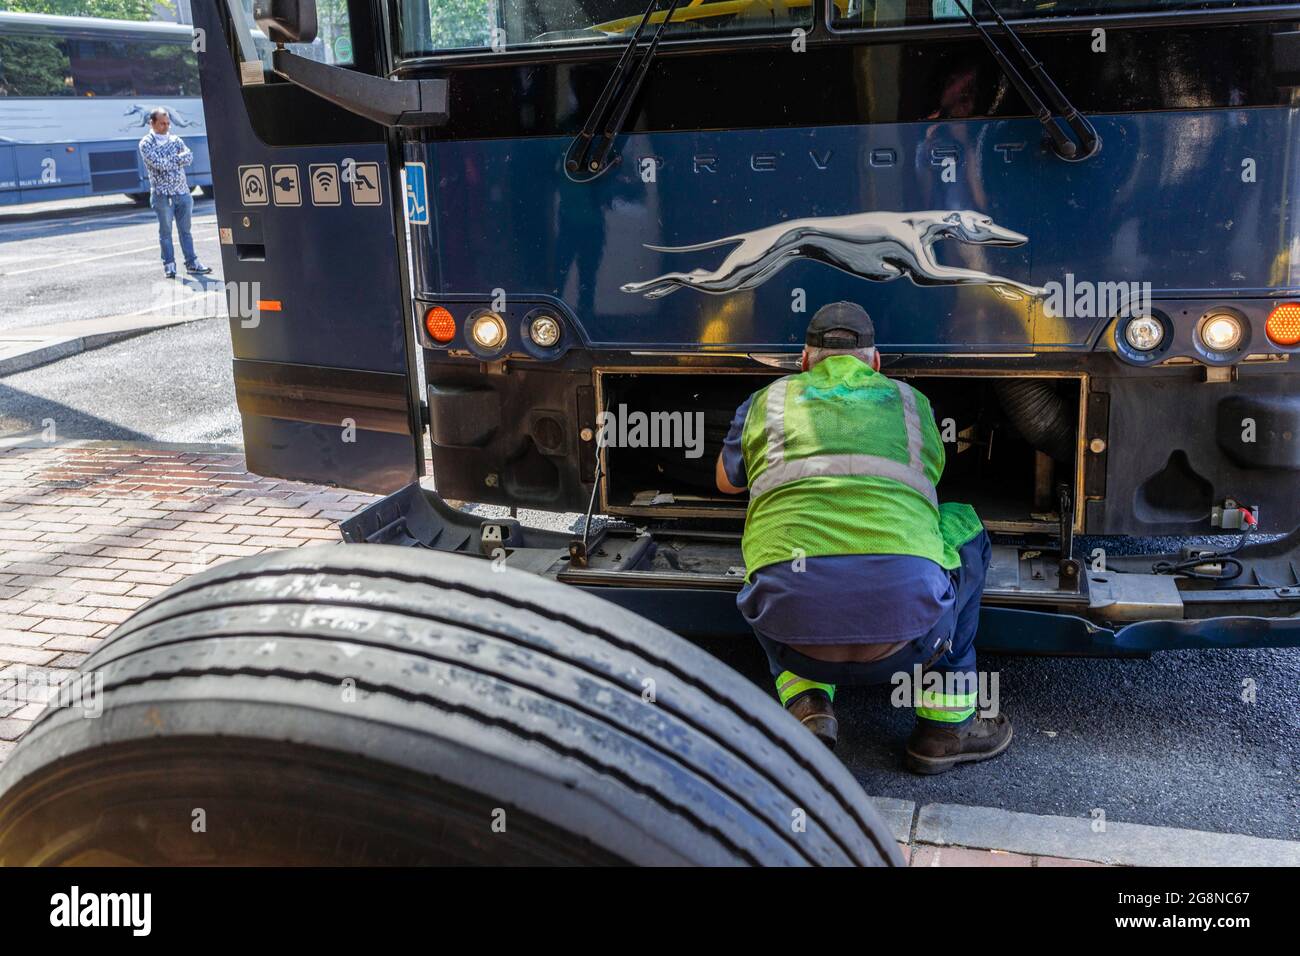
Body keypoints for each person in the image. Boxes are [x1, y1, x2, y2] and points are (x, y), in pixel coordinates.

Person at [716, 301, 1013, 774]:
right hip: (911, 641)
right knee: (963, 527)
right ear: (875, 363)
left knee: (781, 545)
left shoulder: (768, 400)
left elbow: (727, 481)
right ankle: (945, 729)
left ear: (803, 360)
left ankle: (808, 705)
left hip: (790, 638)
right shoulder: (909, 402)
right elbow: (930, 476)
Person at [138, 107, 211, 279]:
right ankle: (169, 265)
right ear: (152, 123)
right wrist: (177, 160)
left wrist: (170, 160)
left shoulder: (176, 139)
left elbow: (189, 157)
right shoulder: (146, 143)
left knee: (185, 231)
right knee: (166, 232)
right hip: (162, 195)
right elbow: (157, 164)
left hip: (182, 192)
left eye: (168, 123)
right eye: (162, 123)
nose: (166, 126)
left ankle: (192, 263)